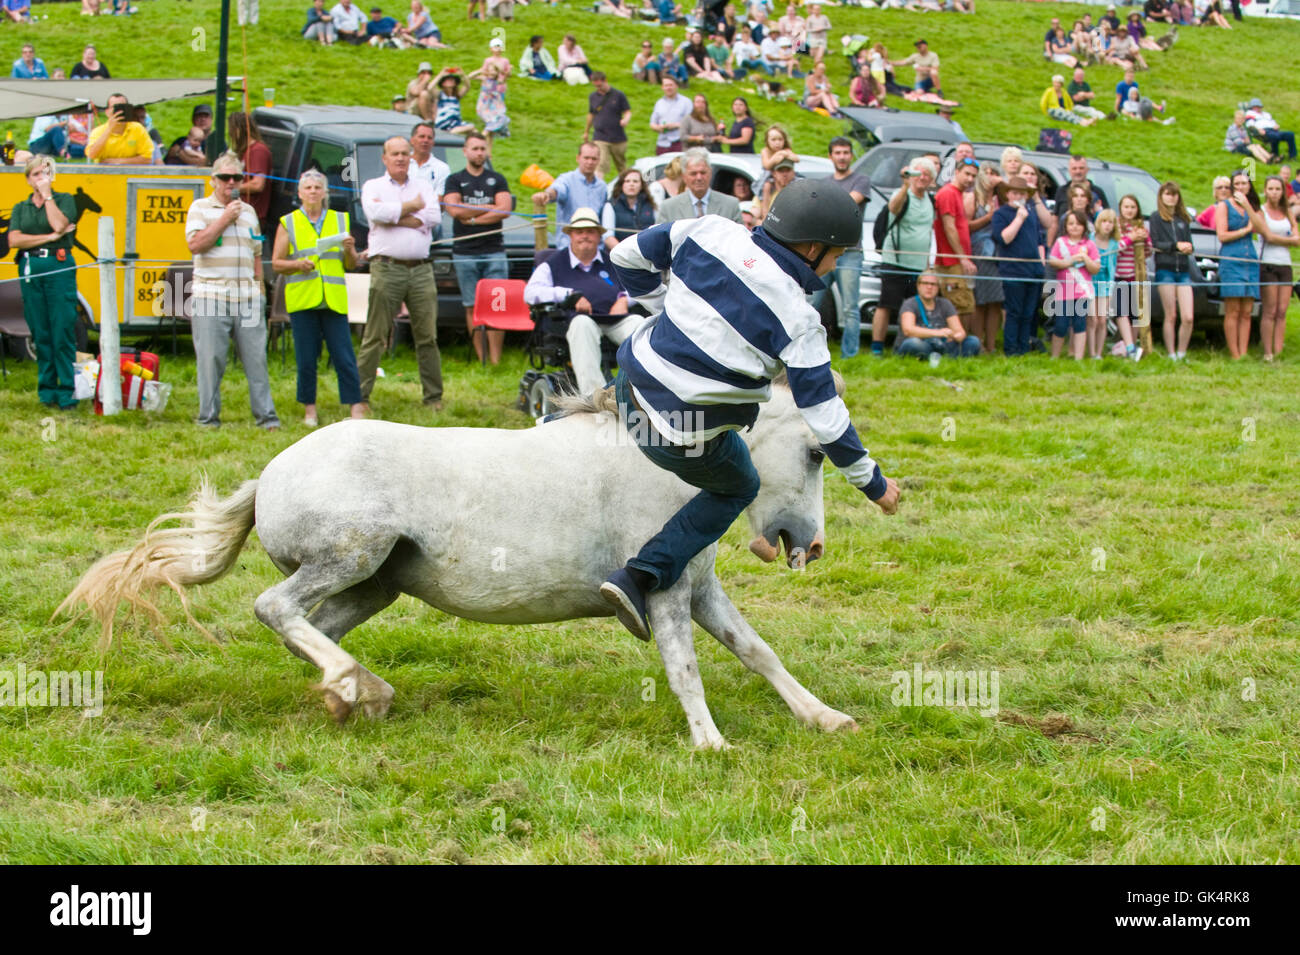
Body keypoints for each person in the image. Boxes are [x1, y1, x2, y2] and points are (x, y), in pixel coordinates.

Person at [599, 178, 900, 642]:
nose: (836, 264)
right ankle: (640, 576)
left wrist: (663, 310)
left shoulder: (708, 229)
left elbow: (624, 256)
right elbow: (826, 417)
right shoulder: (800, 322)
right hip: (678, 437)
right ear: (813, 247)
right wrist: (874, 485)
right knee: (740, 485)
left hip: (628, 387)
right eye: (837, 254)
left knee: (653, 361)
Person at [183, 154, 280, 430]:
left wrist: (260, 290)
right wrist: (225, 218)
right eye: (225, 177)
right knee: (211, 360)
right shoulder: (199, 208)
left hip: (248, 298)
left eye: (236, 177)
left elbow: (257, 253)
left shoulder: (248, 212)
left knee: (257, 359)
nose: (231, 182)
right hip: (211, 296)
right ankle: (208, 418)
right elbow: (196, 245)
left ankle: (267, 418)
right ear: (213, 180)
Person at [271, 170, 364, 427]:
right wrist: (297, 265)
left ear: (325, 193)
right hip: (303, 299)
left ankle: (355, 406)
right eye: (308, 188)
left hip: (333, 299)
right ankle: (309, 409)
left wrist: (350, 250)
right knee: (306, 357)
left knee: (344, 355)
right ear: (300, 193)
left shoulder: (340, 219)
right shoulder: (288, 222)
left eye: (317, 188)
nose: (313, 191)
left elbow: (351, 263)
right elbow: (277, 263)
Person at [357, 137, 443, 409]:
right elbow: (376, 213)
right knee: (375, 334)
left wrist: (396, 217)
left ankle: (433, 397)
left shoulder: (424, 186)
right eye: (395, 154)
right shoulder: (373, 186)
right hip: (386, 268)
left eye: (405, 153)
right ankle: (359, 396)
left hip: (421, 270)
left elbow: (434, 217)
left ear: (411, 157)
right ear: (385, 158)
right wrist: (411, 208)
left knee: (427, 336)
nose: (400, 158)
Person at [525, 208, 639, 395]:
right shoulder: (553, 263)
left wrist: (623, 299)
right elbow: (530, 293)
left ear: (598, 236)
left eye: (590, 231)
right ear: (570, 235)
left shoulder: (612, 260)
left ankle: (641, 392)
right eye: (579, 232)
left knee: (640, 327)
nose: (585, 236)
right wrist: (569, 295)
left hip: (614, 318)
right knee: (582, 325)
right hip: (576, 319)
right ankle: (597, 397)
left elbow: (637, 287)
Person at [9, 155, 79, 410]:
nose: (42, 178)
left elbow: (61, 223)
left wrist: (48, 196)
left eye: (46, 173)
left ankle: (67, 391)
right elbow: (15, 240)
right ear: (28, 179)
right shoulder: (21, 208)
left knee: (62, 329)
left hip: (58, 266)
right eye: (36, 174)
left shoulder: (64, 200)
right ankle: (46, 390)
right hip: (30, 268)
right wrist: (50, 237)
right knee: (40, 331)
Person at [438, 132, 512, 365]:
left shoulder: (497, 178)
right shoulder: (454, 179)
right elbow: (454, 210)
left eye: (482, 148)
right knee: (471, 305)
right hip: (464, 252)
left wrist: (471, 218)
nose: (479, 152)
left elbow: (504, 209)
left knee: (497, 307)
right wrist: (487, 208)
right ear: (465, 151)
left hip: (494, 250)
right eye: (475, 148)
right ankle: (482, 357)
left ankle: (496, 361)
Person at [806, 137, 870, 358]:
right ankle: (807, 349)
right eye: (837, 153)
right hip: (823, 253)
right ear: (830, 156)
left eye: (845, 152)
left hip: (850, 253)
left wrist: (824, 202)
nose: (842, 157)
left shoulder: (861, 180)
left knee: (850, 307)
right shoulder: (824, 182)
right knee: (811, 302)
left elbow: (849, 202)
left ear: (851, 155)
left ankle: (849, 355)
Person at [870, 157, 935, 357]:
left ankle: (903, 346)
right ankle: (877, 348)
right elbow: (893, 208)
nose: (922, 178)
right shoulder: (903, 195)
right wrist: (905, 184)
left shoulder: (931, 200)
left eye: (927, 174)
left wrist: (927, 265)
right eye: (919, 173)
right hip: (895, 261)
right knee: (886, 305)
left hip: (918, 264)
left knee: (911, 307)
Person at [991, 176, 1045, 357]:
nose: (1018, 196)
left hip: (1034, 270)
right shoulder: (1001, 214)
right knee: (1014, 312)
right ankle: (1011, 350)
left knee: (1028, 313)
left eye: (1022, 193)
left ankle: (1024, 348)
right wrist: (1019, 218)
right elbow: (1004, 238)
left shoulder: (1030, 211)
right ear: (1007, 194)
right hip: (1013, 271)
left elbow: (1038, 240)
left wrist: (1041, 264)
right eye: (1015, 193)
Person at [1216, 171, 1261, 360]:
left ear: (1249, 186)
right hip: (1231, 259)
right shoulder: (1224, 206)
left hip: (1250, 259)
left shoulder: (1253, 207)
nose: (1241, 187)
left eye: (1244, 183)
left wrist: (1248, 207)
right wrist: (1245, 230)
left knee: (1247, 311)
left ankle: (1243, 352)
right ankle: (1234, 353)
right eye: (1237, 184)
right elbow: (1222, 235)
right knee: (1233, 309)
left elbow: (1259, 227)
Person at [1147, 181, 1194, 360]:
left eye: (1174, 194)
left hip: (1183, 270)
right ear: (1161, 196)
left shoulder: (1183, 219)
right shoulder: (1155, 218)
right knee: (1171, 315)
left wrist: (1188, 247)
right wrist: (1176, 246)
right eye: (1167, 194)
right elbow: (1156, 244)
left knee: (1188, 316)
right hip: (1165, 270)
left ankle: (1182, 352)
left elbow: (1190, 243)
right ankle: (1171, 353)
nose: (1171, 197)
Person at [934, 156, 979, 339]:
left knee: (966, 304)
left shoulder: (958, 194)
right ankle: (956, 345)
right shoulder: (948, 193)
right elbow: (949, 226)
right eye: (967, 174)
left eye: (973, 176)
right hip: (951, 261)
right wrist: (963, 258)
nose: (970, 179)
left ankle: (962, 344)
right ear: (957, 172)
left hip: (958, 260)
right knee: (958, 306)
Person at [533, 142, 608, 249]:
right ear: (578, 158)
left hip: (595, 249)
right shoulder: (566, 180)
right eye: (586, 158)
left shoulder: (603, 187)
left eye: (594, 159)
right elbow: (557, 190)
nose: (590, 162)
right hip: (568, 247)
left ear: (599, 161)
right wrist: (547, 195)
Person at [1046, 210, 1099, 360]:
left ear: (1084, 226)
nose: (1074, 227)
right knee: (1061, 325)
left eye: (1078, 224)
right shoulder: (1060, 242)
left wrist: (1085, 258)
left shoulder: (1090, 244)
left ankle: (1078, 357)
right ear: (1066, 226)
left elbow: (1095, 268)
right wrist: (1070, 261)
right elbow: (1053, 261)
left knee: (1079, 324)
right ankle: (1055, 356)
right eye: (1071, 224)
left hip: (1082, 291)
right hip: (1064, 291)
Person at [893, 271, 981, 359]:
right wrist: (939, 333)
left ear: (938, 287)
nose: (929, 287)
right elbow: (908, 330)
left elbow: (959, 331)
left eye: (933, 284)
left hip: (941, 345)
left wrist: (956, 336)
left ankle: (936, 358)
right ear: (918, 286)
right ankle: (944, 358)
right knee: (912, 344)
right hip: (921, 344)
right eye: (925, 283)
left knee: (973, 341)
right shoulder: (910, 303)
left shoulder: (945, 303)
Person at [1258, 175, 1297, 362]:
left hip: (1285, 264)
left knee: (1282, 310)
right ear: (1265, 190)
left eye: (1278, 189)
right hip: (1268, 263)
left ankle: (1278, 350)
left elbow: (1297, 238)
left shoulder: (1287, 212)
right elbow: (1268, 237)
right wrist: (1289, 240)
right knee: (1270, 310)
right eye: (1271, 189)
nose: (1274, 192)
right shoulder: (1261, 212)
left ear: (1283, 191)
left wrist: (1288, 240)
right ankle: (1267, 352)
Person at [967, 163, 1003, 354]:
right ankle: (978, 343)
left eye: (994, 173)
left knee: (995, 301)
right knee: (979, 301)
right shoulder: (973, 198)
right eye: (986, 173)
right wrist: (988, 217)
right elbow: (966, 226)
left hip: (998, 253)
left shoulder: (1001, 198)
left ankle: (991, 344)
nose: (990, 177)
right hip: (979, 252)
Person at [656, 147, 744, 223]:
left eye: (703, 172)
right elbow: (659, 241)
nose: (699, 178)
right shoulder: (668, 208)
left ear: (710, 173)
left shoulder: (730, 205)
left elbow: (740, 239)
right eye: (693, 173)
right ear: (684, 177)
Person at [227, 112, 274, 239]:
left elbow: (257, 184)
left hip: (254, 214)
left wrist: (231, 189)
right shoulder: (245, 151)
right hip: (242, 212)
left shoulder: (257, 151)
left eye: (231, 130)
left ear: (238, 129)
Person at [1112, 194, 1147, 361]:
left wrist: (1145, 241)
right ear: (1120, 208)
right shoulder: (1115, 226)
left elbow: (1147, 253)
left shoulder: (1140, 226)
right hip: (1118, 276)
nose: (1129, 210)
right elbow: (1114, 249)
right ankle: (1129, 346)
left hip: (1135, 276)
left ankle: (1132, 347)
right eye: (1126, 207)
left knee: (1136, 314)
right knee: (1121, 313)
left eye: (1133, 207)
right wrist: (1130, 239)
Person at [585, 72, 633, 178]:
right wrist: (586, 132)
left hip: (618, 137)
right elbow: (591, 114)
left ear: (605, 81)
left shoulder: (618, 95)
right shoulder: (593, 97)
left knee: (621, 166)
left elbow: (627, 111)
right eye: (596, 86)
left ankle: (625, 188)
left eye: (600, 85)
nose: (598, 88)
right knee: (600, 165)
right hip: (600, 136)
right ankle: (598, 190)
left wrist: (626, 119)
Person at [86, 94, 154, 165]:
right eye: (115, 107)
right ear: (107, 111)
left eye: (123, 107)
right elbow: (91, 154)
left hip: (130, 174)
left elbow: (147, 159)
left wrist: (115, 162)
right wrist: (109, 129)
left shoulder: (138, 129)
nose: (120, 111)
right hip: (104, 174)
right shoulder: (98, 132)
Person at [603, 167, 657, 251]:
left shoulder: (651, 205)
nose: (631, 184)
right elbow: (608, 237)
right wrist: (625, 254)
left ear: (641, 186)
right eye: (627, 181)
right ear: (622, 185)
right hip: (621, 255)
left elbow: (657, 231)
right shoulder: (610, 206)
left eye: (635, 181)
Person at [1090, 209, 1118, 359]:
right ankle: (1091, 350)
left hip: (1105, 284)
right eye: (1104, 221)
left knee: (1102, 319)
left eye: (1111, 222)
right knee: (1092, 319)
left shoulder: (1114, 244)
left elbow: (1112, 266)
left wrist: (1111, 286)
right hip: (1090, 282)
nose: (1107, 225)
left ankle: (1099, 353)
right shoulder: (1090, 239)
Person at [468, 46, 511, 144]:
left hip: (494, 106)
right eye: (490, 70)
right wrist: (481, 70)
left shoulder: (499, 81)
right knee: (491, 123)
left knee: (496, 121)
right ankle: (482, 138)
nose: (492, 72)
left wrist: (501, 69)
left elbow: (506, 75)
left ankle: (484, 141)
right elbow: (470, 76)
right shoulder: (484, 79)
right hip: (485, 105)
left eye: (494, 71)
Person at [1243, 98, 1297, 163]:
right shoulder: (1250, 113)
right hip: (1264, 131)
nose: (1257, 108)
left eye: (1258, 106)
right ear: (1252, 107)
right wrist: (1258, 130)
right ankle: (1275, 155)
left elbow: (1273, 122)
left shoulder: (1266, 114)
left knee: (1290, 134)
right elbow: (1250, 125)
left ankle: (1292, 157)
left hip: (1274, 130)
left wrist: (1276, 125)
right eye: (1255, 107)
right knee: (1274, 136)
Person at [649, 76, 693, 155]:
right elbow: (652, 123)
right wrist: (658, 128)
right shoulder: (659, 103)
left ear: (676, 86)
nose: (668, 88)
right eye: (666, 85)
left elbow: (691, 122)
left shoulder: (686, 102)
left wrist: (674, 125)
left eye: (671, 85)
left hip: (680, 143)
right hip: (662, 143)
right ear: (662, 87)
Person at [409, 121, 450, 199]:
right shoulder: (401, 164)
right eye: (421, 136)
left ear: (433, 142)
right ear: (412, 140)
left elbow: (439, 203)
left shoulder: (442, 168)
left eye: (429, 138)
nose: (425, 140)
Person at [431, 68, 475, 134]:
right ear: (442, 84)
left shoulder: (456, 96)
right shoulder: (440, 95)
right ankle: (450, 133)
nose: (451, 81)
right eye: (448, 80)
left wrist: (462, 75)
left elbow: (467, 86)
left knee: (475, 132)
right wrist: (440, 75)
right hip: (444, 122)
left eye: (452, 80)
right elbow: (430, 88)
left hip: (456, 122)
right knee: (471, 127)